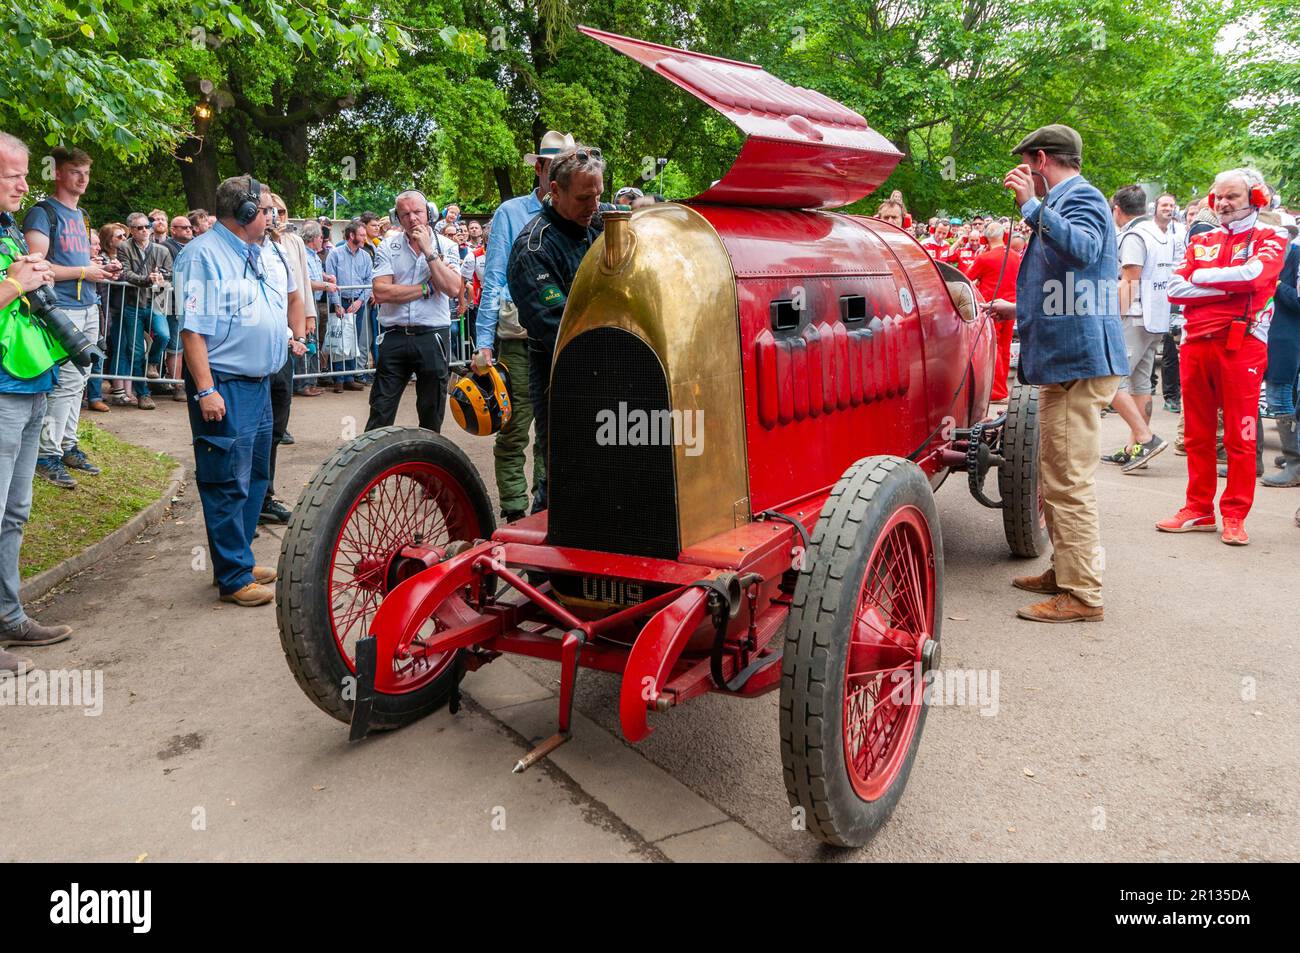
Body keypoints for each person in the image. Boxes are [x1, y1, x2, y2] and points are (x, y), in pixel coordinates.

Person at [992, 124, 1128, 623]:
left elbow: (1085, 251)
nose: (1022, 173)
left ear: (1041, 159)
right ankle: (1065, 570)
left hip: (1078, 362)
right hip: (1070, 360)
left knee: (1068, 479)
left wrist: (1031, 206)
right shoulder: (1070, 199)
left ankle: (1083, 594)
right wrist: (1016, 308)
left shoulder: (1082, 197)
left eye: (1026, 163)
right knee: (1057, 474)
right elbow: (1068, 277)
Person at [173, 175, 297, 607]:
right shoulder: (202, 256)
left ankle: (237, 560)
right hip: (224, 382)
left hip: (259, 383)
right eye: (265, 210)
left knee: (255, 477)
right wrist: (206, 390)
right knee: (226, 479)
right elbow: (192, 331)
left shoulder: (257, 252)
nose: (271, 217)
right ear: (244, 213)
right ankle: (232, 576)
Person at [1161, 168, 1288, 545]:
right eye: (1218, 196)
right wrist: (1225, 287)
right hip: (1196, 342)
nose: (1222, 203)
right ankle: (1198, 508)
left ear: (1255, 198)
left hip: (1242, 344)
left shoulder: (1272, 234)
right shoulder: (1204, 238)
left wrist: (1202, 278)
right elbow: (1173, 288)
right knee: (1197, 434)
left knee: (1240, 435)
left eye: (1231, 196)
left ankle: (1235, 513)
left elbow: (1254, 276)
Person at [0, 130, 74, 673]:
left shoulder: (6, 229)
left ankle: (8, 616)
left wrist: (37, 276)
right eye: (14, 176)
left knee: (14, 512)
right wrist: (13, 285)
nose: (27, 186)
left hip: (29, 384)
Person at [475, 129, 574, 522]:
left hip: (565, 338)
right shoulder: (511, 213)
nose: (560, 173)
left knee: (556, 435)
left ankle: (545, 511)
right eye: (554, 165)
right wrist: (484, 343)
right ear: (540, 169)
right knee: (516, 429)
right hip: (519, 337)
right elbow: (495, 277)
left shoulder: (583, 214)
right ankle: (516, 515)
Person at [507, 145, 607, 514]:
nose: (594, 206)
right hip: (561, 375)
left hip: (613, 366)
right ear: (555, 191)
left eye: (598, 194)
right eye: (584, 198)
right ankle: (540, 565)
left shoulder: (598, 225)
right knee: (563, 471)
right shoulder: (532, 249)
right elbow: (558, 329)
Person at [21, 146, 114, 489]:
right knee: (63, 385)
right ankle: (46, 455)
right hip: (61, 308)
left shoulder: (82, 215)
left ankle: (67, 444)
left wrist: (98, 270)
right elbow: (36, 265)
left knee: (78, 382)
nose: (83, 178)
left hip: (88, 305)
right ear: (58, 173)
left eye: (86, 172)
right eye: (75, 171)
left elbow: (80, 264)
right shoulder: (43, 212)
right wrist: (83, 272)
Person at [363, 190, 471, 433]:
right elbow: (381, 292)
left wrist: (427, 250)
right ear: (397, 218)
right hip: (394, 335)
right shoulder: (387, 247)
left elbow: (453, 288)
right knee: (381, 410)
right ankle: (372, 466)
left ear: (429, 213)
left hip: (433, 336)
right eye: (405, 214)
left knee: (431, 411)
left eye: (417, 212)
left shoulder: (448, 246)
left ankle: (428, 470)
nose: (412, 219)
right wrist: (424, 288)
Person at [1099, 184, 1172, 472]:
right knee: (1141, 382)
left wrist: (1113, 318)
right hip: (1156, 316)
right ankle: (1136, 448)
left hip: (1135, 315)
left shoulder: (1134, 235)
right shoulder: (1159, 232)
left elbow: (1130, 279)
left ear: (1117, 208)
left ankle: (1145, 438)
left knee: (1109, 379)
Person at [255, 192, 308, 523]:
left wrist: (299, 335)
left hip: (282, 352)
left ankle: (265, 498)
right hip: (250, 356)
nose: (272, 217)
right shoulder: (235, 251)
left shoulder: (279, 250)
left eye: (275, 212)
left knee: (275, 431)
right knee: (251, 433)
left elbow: (294, 296)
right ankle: (247, 505)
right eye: (265, 211)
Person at [965, 220, 1021, 402]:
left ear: (985, 238)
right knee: (1004, 349)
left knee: (993, 349)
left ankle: (995, 391)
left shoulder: (984, 258)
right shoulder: (1015, 256)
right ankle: (1001, 388)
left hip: (992, 308)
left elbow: (966, 278)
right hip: (1012, 308)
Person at [1262, 231, 1300, 488]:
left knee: (1280, 395)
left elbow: (1298, 301)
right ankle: (1290, 456)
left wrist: (1274, 284)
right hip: (1272, 334)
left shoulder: (1294, 255)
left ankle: (1294, 462)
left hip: (1286, 337)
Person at [324, 220, 374, 392]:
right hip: (340, 301)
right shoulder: (335, 254)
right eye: (361, 235)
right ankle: (338, 378)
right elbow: (330, 280)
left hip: (357, 303)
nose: (364, 238)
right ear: (351, 235)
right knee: (338, 339)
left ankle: (350, 377)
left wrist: (360, 301)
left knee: (353, 338)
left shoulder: (366, 256)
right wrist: (337, 304)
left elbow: (369, 282)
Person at [294, 221, 335, 399]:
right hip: (306, 305)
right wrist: (326, 285)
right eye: (320, 237)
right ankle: (304, 383)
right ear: (313, 238)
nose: (322, 240)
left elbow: (314, 276)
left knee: (313, 343)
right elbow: (305, 282)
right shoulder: (303, 254)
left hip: (315, 304)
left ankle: (310, 381)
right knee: (308, 344)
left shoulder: (313, 255)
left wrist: (325, 277)